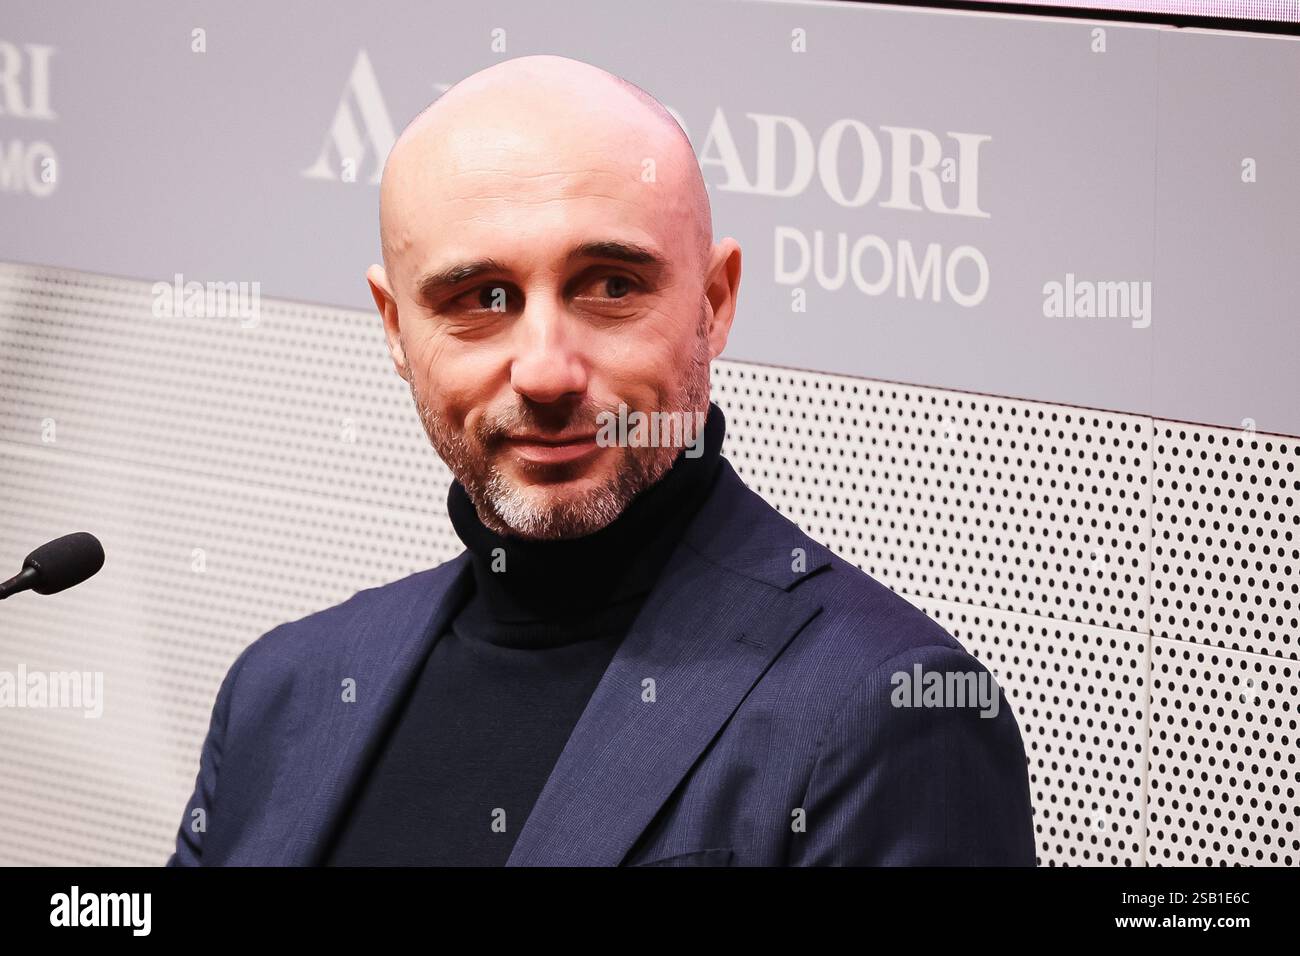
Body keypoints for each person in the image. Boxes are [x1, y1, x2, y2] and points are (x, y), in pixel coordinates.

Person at [167, 54, 1035, 866]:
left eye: (611, 287)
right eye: (481, 299)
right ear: (396, 329)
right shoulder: (278, 693)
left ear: (715, 302)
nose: (546, 371)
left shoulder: (886, 711)